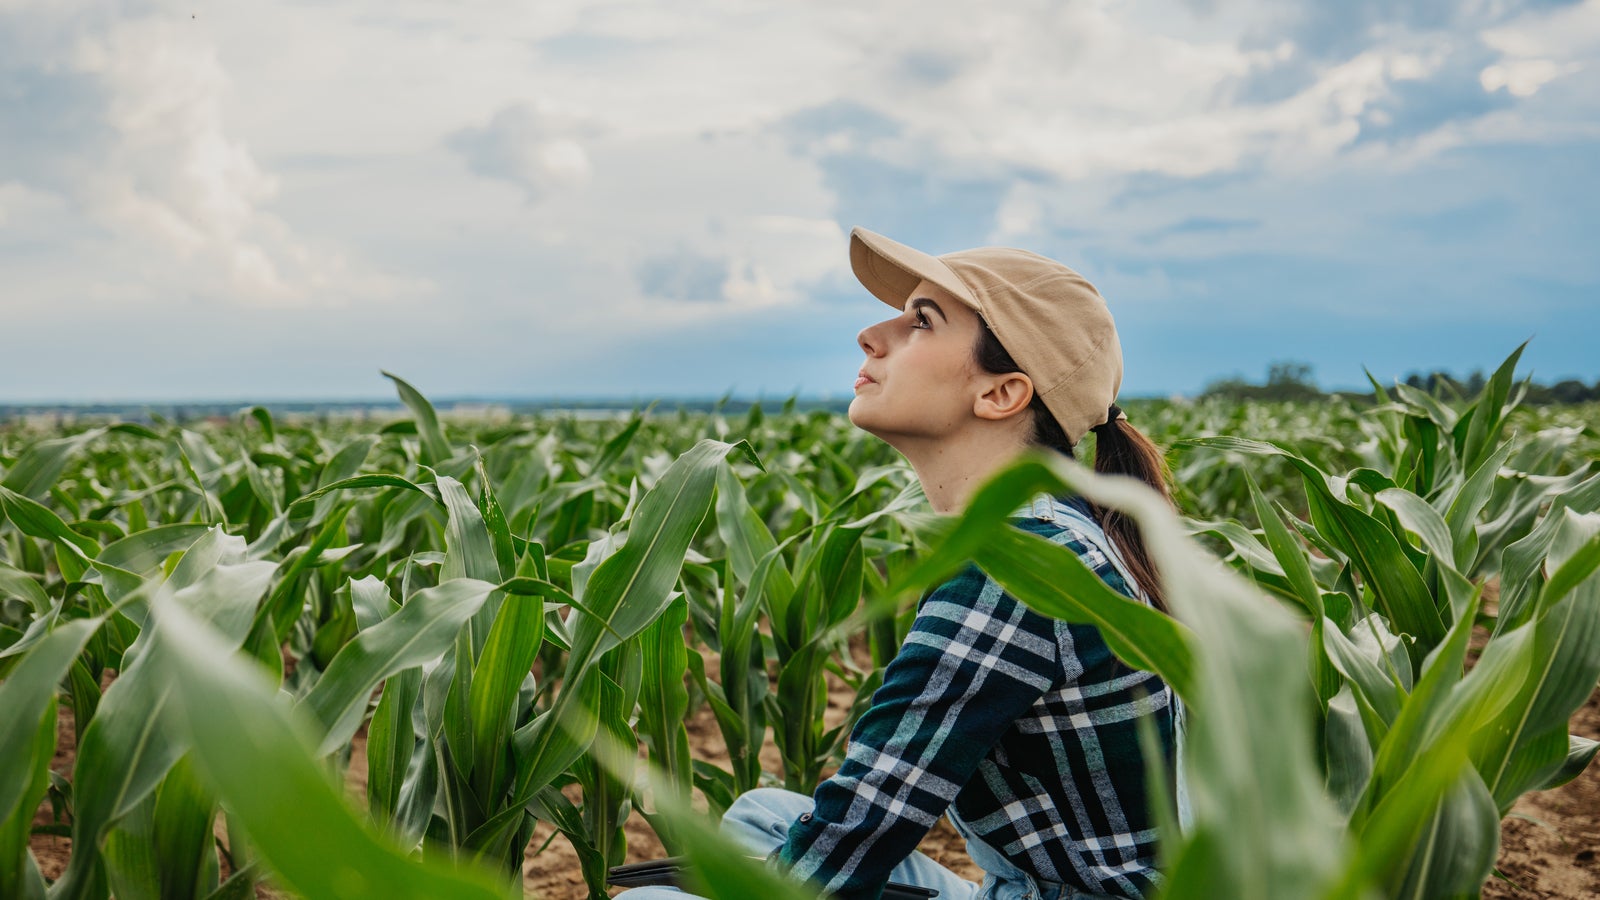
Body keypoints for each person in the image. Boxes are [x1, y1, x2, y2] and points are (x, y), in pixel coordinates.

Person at [621, 227, 1186, 900]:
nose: (871, 334)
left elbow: (855, 834)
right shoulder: (1060, 530)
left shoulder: (1014, 569)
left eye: (922, 322)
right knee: (760, 818)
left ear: (1003, 394)